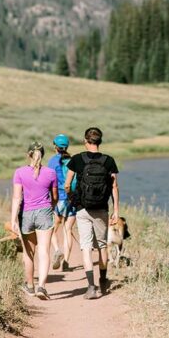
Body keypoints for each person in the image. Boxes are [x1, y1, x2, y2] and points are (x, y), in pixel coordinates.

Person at [66, 127, 119, 300]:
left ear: (85, 140)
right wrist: (116, 211)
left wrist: (72, 198)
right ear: (100, 141)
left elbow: (67, 185)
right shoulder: (109, 161)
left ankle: (90, 287)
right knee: (102, 246)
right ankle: (103, 283)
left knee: (86, 247)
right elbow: (114, 187)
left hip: (82, 208)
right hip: (102, 209)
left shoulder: (76, 159)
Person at [11, 141, 58, 300]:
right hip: (44, 212)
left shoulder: (19, 172)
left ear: (28, 155)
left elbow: (17, 198)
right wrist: (50, 207)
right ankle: (41, 287)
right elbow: (55, 197)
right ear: (42, 155)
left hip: (26, 214)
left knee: (28, 253)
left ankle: (30, 286)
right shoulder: (51, 173)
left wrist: (13, 220)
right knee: (44, 251)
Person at [47, 134, 77, 272]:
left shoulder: (52, 161)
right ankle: (66, 262)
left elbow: (49, 182)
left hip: (58, 197)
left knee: (53, 228)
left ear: (55, 146)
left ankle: (57, 250)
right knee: (68, 230)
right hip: (72, 198)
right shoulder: (72, 160)